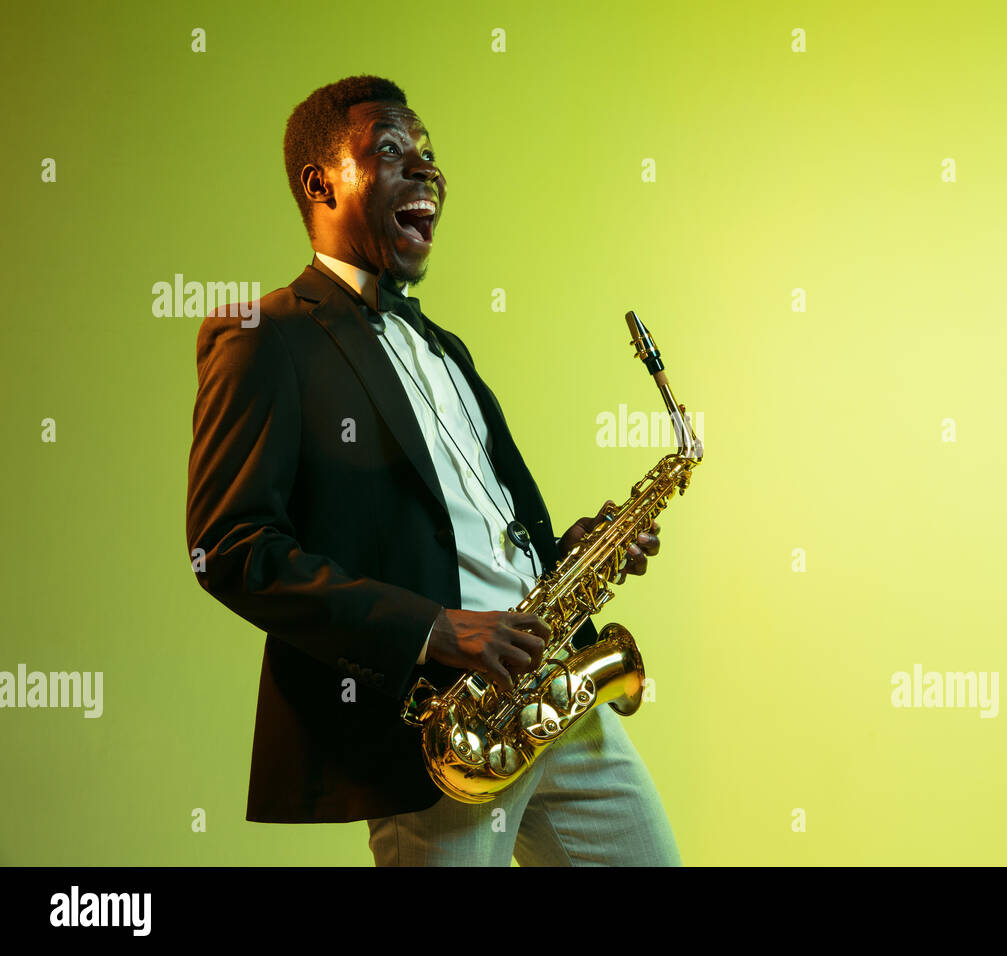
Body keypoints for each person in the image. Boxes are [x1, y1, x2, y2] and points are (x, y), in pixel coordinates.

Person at [185, 75, 681, 866]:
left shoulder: (446, 349)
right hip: (440, 733)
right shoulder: (264, 336)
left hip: (558, 692)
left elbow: (477, 528)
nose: (426, 171)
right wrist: (435, 631)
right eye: (390, 150)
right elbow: (233, 548)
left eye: (428, 154)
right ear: (322, 184)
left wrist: (571, 555)